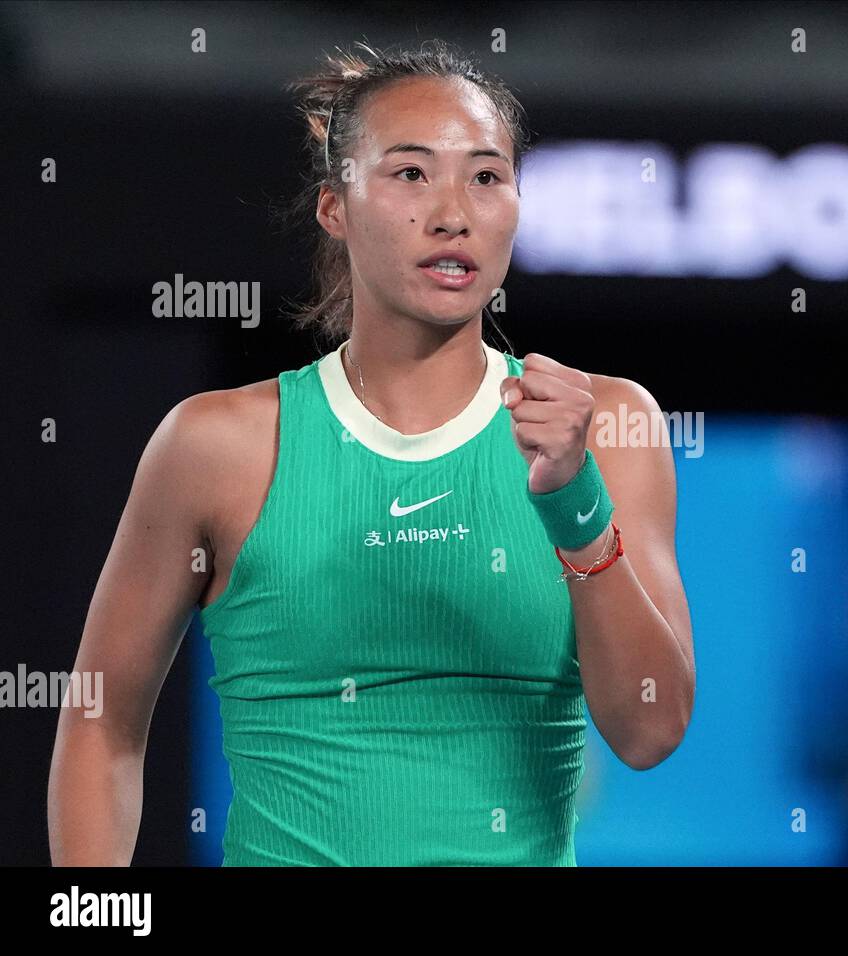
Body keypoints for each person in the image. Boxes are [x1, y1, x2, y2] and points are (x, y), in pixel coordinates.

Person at [48, 39, 694, 866]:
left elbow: (649, 731)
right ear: (335, 207)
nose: (452, 211)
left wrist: (574, 499)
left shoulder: (609, 424)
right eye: (411, 173)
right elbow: (102, 723)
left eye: (487, 176)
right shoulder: (215, 444)